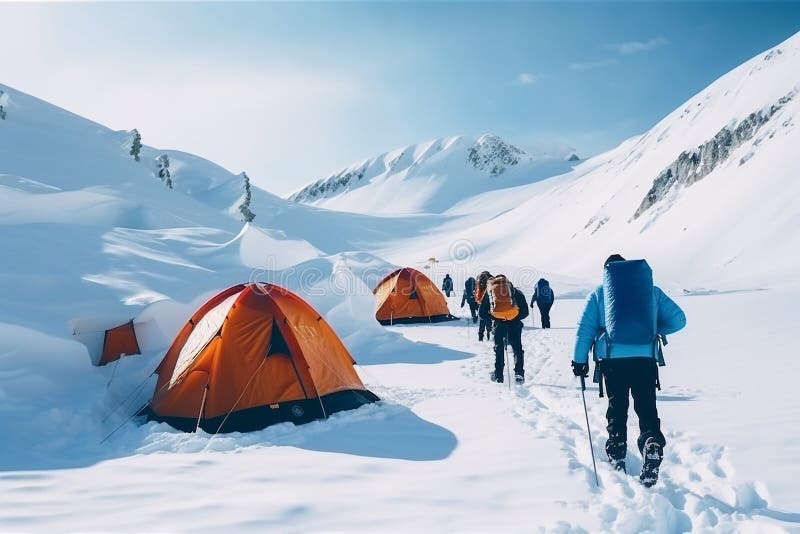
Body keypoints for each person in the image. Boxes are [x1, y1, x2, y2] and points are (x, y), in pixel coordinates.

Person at [572, 254, 686, 487]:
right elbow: (679, 320)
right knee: (646, 408)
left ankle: (617, 453)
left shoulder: (600, 293)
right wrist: (653, 330)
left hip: (613, 360)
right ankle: (651, 441)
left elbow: (584, 330)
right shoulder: (650, 292)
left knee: (617, 407)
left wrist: (579, 361)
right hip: (645, 358)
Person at [479, 275, 529, 384]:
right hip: (515, 324)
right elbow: (525, 312)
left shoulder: (490, 293)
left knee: (499, 349)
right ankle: (519, 373)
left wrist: (495, 318)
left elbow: (481, 313)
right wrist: (513, 317)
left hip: (498, 325)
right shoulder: (516, 292)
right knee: (517, 349)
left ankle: (498, 376)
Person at [475, 271, 493, 341]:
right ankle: (489, 332)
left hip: (481, 301)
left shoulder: (479, 279)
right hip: (489, 301)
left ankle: (480, 336)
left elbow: (477, 290)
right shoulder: (491, 277)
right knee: (488, 318)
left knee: (482, 319)